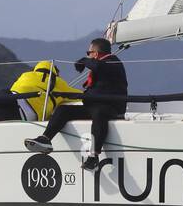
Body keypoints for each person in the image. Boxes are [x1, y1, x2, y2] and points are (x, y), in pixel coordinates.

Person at [25, 38, 128, 170]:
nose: (87, 55)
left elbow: (98, 66)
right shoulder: (101, 63)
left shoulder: (113, 62)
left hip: (111, 108)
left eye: (88, 52)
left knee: (99, 113)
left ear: (95, 54)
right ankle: (45, 139)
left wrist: (84, 61)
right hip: (94, 105)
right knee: (63, 110)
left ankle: (93, 156)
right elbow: (96, 69)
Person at [10, 61, 81, 121]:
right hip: (28, 111)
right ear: (55, 73)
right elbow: (78, 95)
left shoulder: (25, 75)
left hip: (10, 98)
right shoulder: (57, 81)